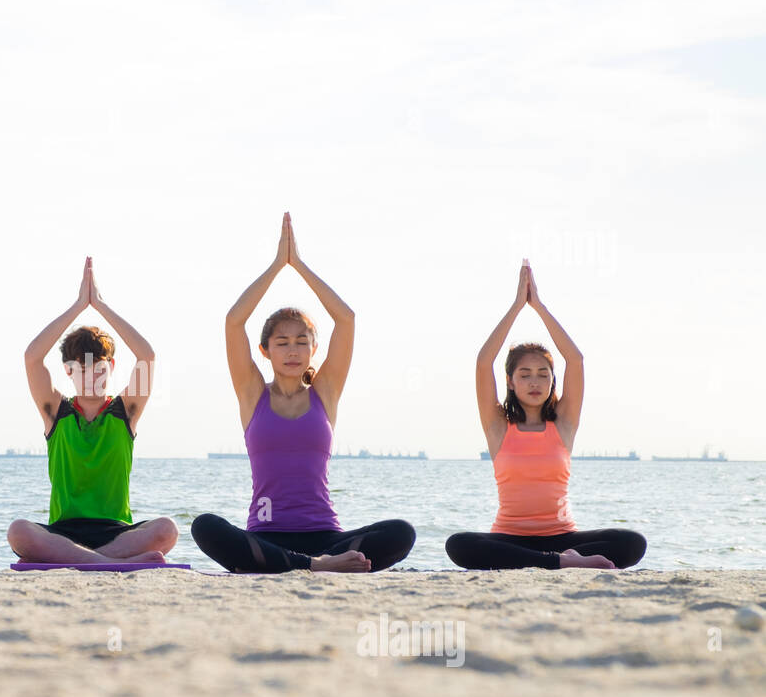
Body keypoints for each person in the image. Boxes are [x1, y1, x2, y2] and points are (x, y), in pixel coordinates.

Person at [191, 213, 416, 573]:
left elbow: (347, 319)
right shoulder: (252, 394)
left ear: (313, 349)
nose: (293, 351)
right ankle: (316, 565)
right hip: (266, 534)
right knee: (204, 526)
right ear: (265, 350)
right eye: (282, 343)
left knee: (401, 533)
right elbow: (234, 320)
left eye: (301, 342)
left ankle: (314, 561)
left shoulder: (324, 393)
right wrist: (278, 265)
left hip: (327, 536)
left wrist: (300, 265)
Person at [445, 260, 647, 570]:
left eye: (543, 374)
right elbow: (484, 362)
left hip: (564, 536)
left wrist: (537, 305)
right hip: (508, 537)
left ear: (553, 380)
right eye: (524, 374)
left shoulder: (563, 423)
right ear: (510, 382)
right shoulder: (498, 426)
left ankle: (559, 559)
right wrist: (516, 306)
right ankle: (560, 563)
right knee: (458, 545)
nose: (534, 381)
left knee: (632, 542)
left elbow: (575, 360)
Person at [6, 256, 178, 563]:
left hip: (116, 531)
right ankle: (107, 563)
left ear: (110, 367)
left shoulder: (126, 411)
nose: (91, 376)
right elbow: (32, 357)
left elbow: (146, 356)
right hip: (63, 531)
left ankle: (81, 559)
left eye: (98, 369)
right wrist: (77, 307)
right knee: (18, 531)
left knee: (167, 530)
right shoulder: (56, 412)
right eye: (81, 369)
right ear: (68, 370)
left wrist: (99, 305)